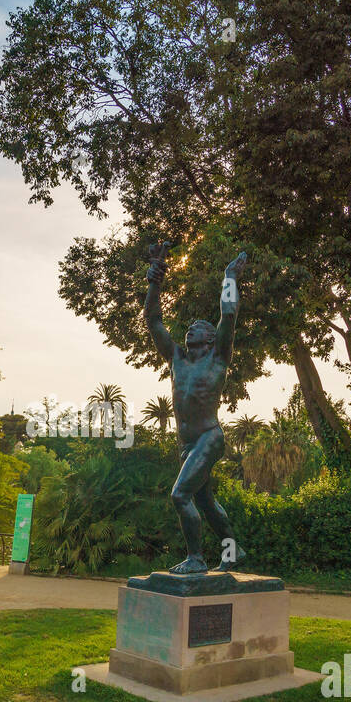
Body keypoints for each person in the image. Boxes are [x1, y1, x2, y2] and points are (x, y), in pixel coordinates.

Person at [143, 242, 248, 574]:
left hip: (209, 437)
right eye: (189, 327)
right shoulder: (176, 359)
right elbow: (153, 319)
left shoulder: (219, 359)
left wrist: (230, 277)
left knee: (179, 496)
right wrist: (154, 283)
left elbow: (228, 313)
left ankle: (197, 558)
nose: (191, 328)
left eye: (199, 327)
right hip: (186, 444)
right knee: (204, 501)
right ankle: (233, 552)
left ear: (211, 338)